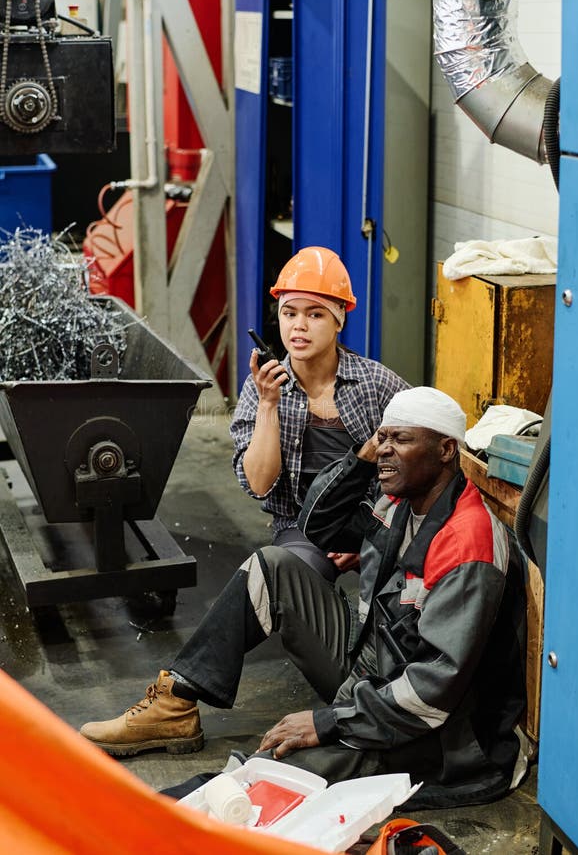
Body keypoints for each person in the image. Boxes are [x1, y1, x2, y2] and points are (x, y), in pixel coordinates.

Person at [80, 387, 527, 808]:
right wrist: (363, 458)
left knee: (277, 773)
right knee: (274, 566)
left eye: (401, 439)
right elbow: (317, 524)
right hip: (375, 670)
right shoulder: (402, 501)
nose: (384, 448)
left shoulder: (468, 544)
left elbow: (431, 695)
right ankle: (176, 702)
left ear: (447, 450)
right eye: (382, 437)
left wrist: (330, 722)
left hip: (438, 734)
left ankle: (161, 818)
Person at [230, 245, 409, 580]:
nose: (299, 326)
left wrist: (373, 540)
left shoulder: (375, 383)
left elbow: (419, 460)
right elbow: (258, 484)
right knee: (288, 578)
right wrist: (269, 404)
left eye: (315, 314)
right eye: (290, 313)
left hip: (374, 521)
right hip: (303, 528)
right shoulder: (263, 386)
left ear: (339, 317)